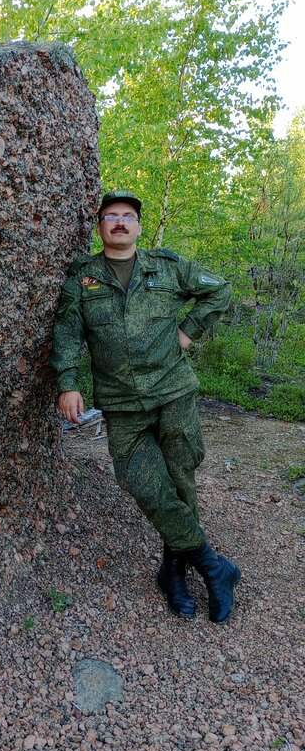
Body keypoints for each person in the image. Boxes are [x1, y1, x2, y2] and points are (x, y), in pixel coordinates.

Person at [49, 190, 241, 623]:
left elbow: (220, 291)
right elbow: (65, 334)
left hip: (173, 392)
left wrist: (187, 333)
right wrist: (66, 383)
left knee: (179, 478)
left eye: (128, 217)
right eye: (111, 216)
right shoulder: (83, 278)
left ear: (138, 227)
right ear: (100, 227)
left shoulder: (168, 268)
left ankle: (174, 570)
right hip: (122, 404)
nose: (119, 222)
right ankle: (214, 565)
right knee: (143, 482)